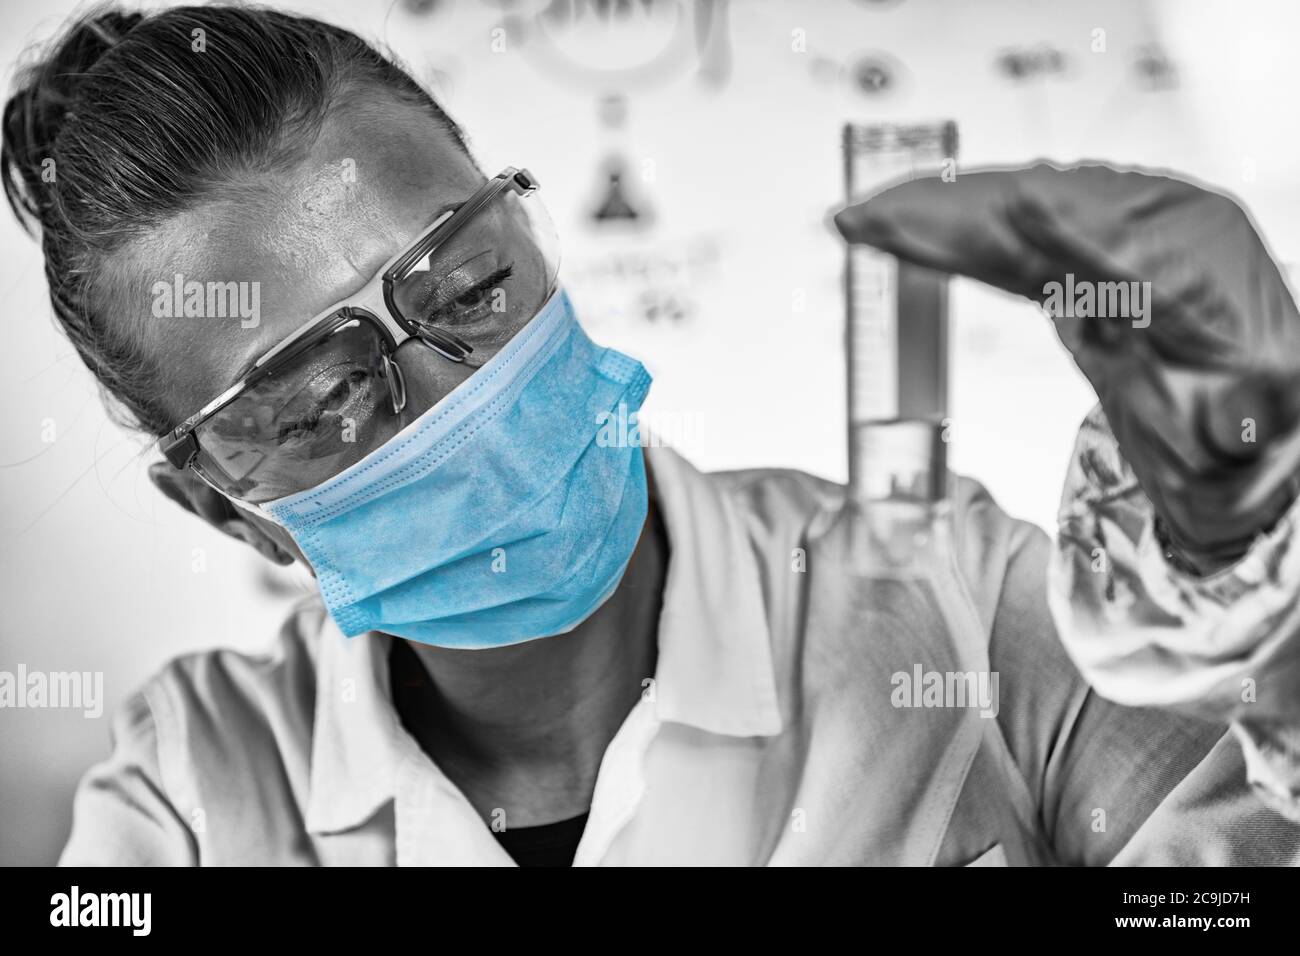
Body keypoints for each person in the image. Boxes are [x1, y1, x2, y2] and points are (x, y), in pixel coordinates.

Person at [4, 5, 1299, 866]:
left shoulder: (964, 612)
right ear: (224, 507)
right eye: (316, 398)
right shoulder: (199, 793)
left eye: (470, 288)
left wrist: (1263, 587)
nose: (451, 391)